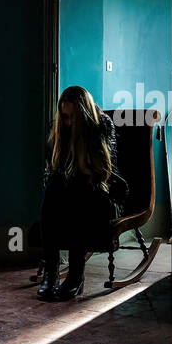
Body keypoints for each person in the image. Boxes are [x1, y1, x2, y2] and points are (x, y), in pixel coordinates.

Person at [37, 86, 127, 301]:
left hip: (102, 195)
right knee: (55, 186)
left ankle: (76, 276)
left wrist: (84, 166)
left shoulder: (101, 126)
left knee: (78, 188)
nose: (67, 122)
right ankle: (51, 273)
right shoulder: (60, 128)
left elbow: (106, 174)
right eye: (65, 116)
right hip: (70, 197)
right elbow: (53, 171)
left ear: (83, 114)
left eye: (72, 117)